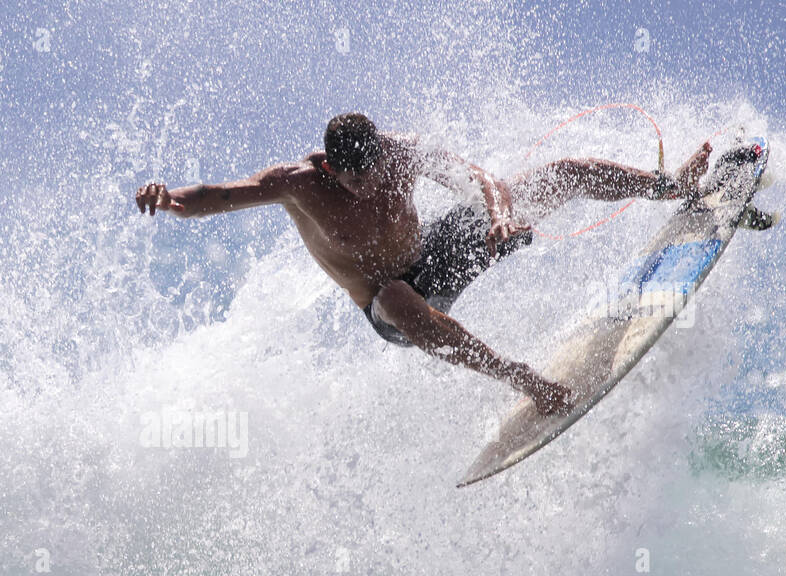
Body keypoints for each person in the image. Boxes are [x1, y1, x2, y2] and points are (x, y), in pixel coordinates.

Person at [135, 112, 711, 415]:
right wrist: (172, 200)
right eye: (355, 179)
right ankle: (529, 384)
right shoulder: (296, 185)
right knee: (395, 299)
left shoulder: (400, 150)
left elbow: (480, 178)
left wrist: (500, 216)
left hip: (434, 253)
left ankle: (672, 186)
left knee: (560, 174)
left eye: (376, 170)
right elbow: (218, 197)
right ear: (331, 168)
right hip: (390, 302)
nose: (369, 186)